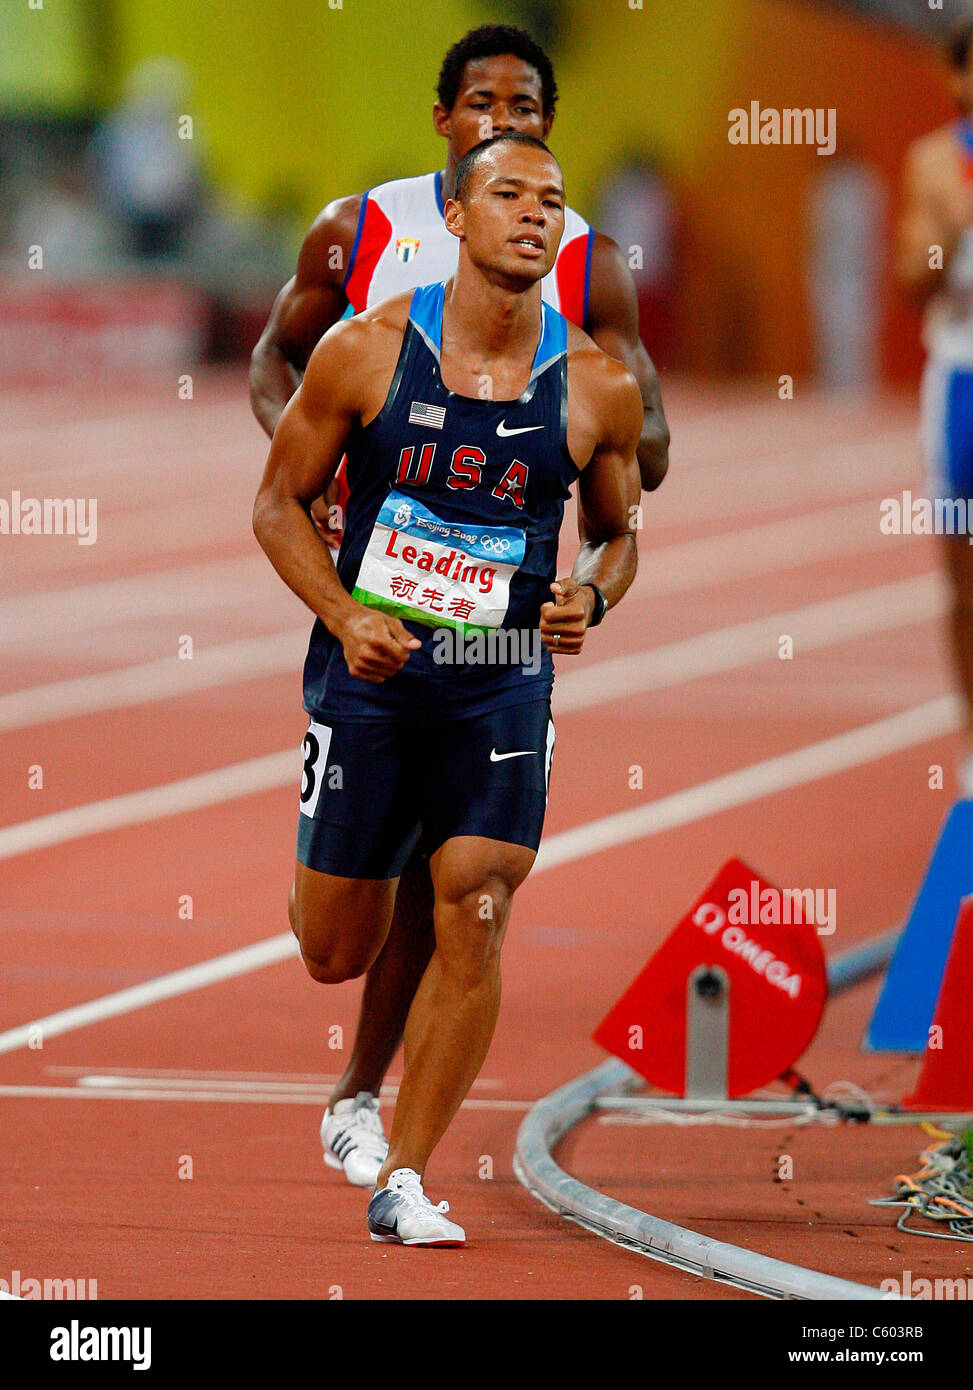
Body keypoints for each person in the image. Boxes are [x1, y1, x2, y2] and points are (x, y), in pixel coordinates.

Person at [249, 23, 669, 1189]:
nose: (502, 123)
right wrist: (329, 487)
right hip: (373, 597)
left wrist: (601, 442)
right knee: (340, 932)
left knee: (466, 880)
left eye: (525, 108)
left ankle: (369, 1111)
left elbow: (643, 448)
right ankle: (355, 877)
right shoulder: (360, 233)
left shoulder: (585, 263)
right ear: (444, 120)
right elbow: (278, 371)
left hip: (498, 638)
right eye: (481, 104)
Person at [897, 15, 973, 796]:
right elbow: (909, 278)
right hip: (962, 381)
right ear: (956, 78)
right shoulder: (933, 162)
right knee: (964, 580)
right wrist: (945, 235)